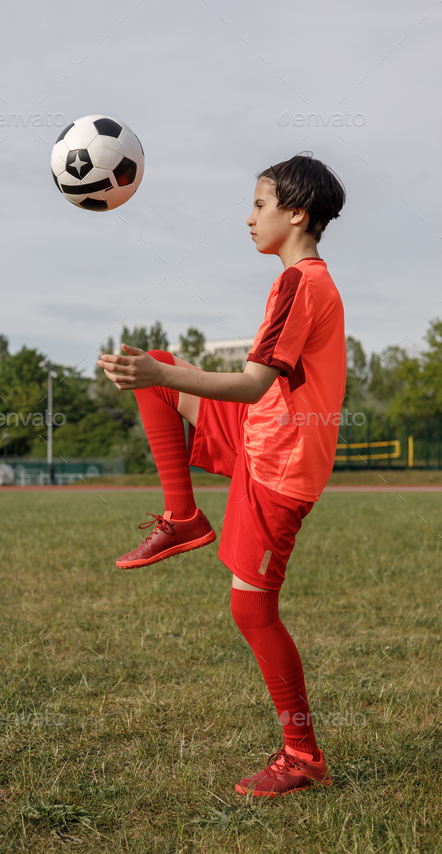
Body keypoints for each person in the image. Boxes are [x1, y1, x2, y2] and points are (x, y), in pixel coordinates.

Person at [97, 153, 346, 797]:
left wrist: (162, 377)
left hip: (279, 461)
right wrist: (159, 374)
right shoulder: (299, 280)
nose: (249, 218)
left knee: (251, 607)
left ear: (297, 213)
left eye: (260, 205)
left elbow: (252, 382)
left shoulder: (303, 284)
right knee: (153, 363)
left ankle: (302, 755)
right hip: (263, 434)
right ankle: (183, 516)